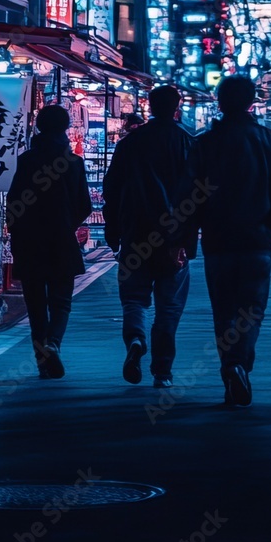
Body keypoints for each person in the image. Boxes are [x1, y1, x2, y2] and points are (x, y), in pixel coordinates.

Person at [179, 75, 271, 407]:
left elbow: (188, 197)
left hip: (218, 241)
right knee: (252, 309)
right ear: (251, 102)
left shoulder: (204, 144)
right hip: (257, 241)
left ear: (219, 101)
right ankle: (240, 364)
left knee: (224, 310)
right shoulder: (268, 140)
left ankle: (231, 366)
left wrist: (187, 237)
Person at [103, 86, 194, 389]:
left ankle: (136, 340)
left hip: (134, 233)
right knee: (169, 307)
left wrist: (113, 234)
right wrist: (187, 241)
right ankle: (163, 371)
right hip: (173, 239)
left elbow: (111, 191)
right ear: (176, 107)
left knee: (134, 299)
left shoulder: (129, 144)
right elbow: (197, 195)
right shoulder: (187, 142)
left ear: (151, 106)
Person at [6, 104, 92, 379]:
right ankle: (53, 342)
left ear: (38, 126)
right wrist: (68, 223)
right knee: (61, 300)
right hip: (60, 240)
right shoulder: (74, 163)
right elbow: (85, 205)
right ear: (66, 128)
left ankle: (42, 358)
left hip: (29, 240)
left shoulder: (26, 160)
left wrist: (16, 230)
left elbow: (14, 202)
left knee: (34, 302)